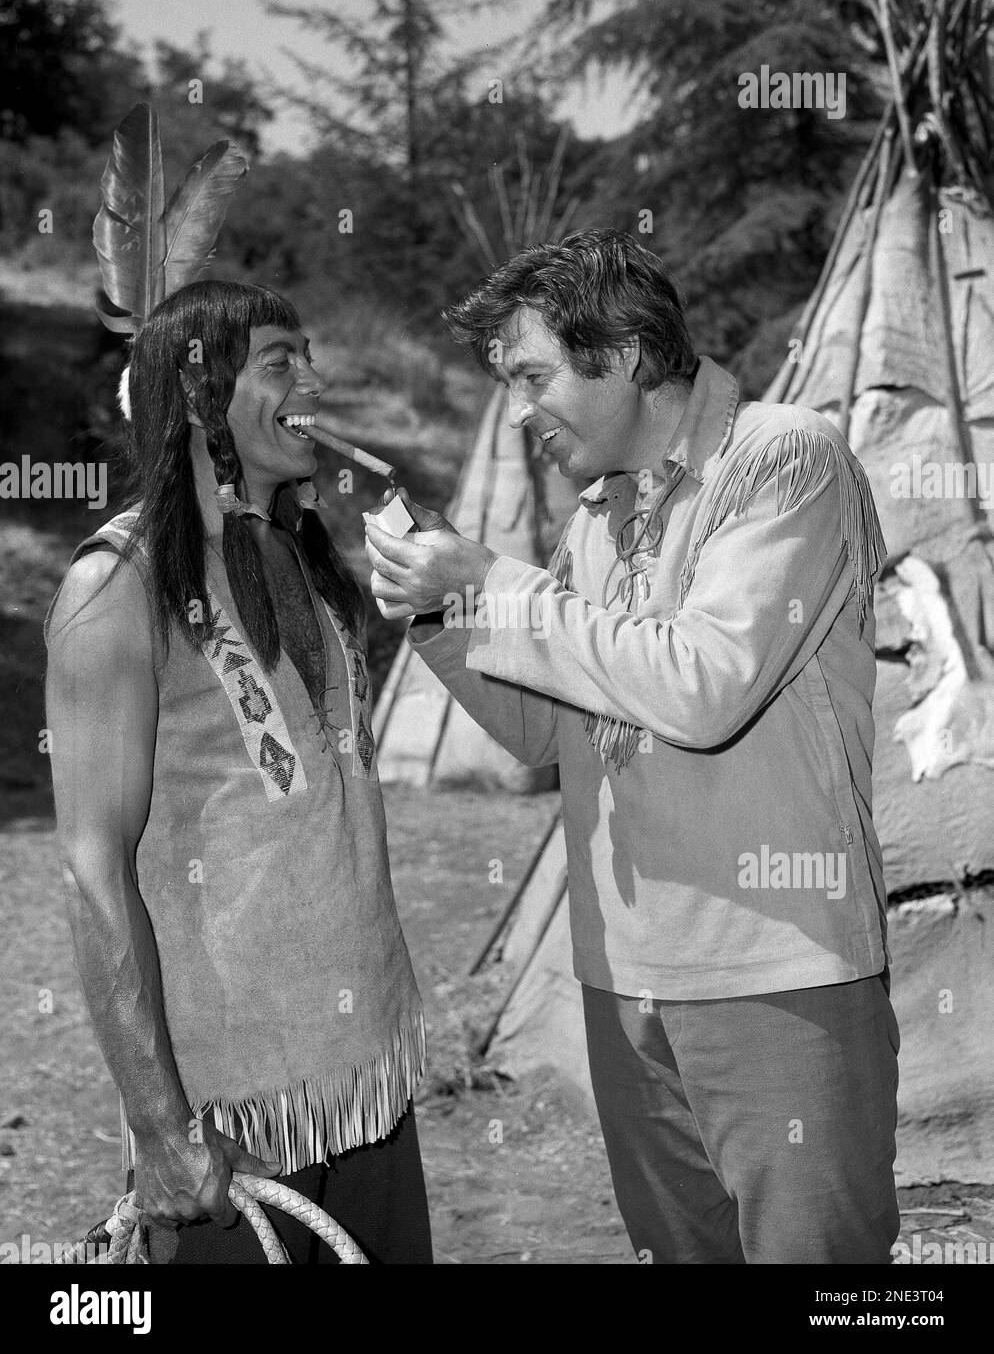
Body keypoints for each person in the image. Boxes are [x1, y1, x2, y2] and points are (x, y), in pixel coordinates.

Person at [364, 228, 900, 1265]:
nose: (520, 412)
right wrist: (436, 621)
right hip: (625, 983)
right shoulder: (601, 513)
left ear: (616, 353)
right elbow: (536, 731)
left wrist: (492, 582)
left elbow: (701, 686)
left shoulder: (783, 457)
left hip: (777, 974)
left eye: (531, 376)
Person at [45, 280, 431, 1264]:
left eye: (310, 353)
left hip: (371, 1087)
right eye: (278, 361)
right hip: (231, 1128)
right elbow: (94, 869)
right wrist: (158, 1125)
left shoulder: (308, 562)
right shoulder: (115, 585)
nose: (314, 378)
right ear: (198, 398)